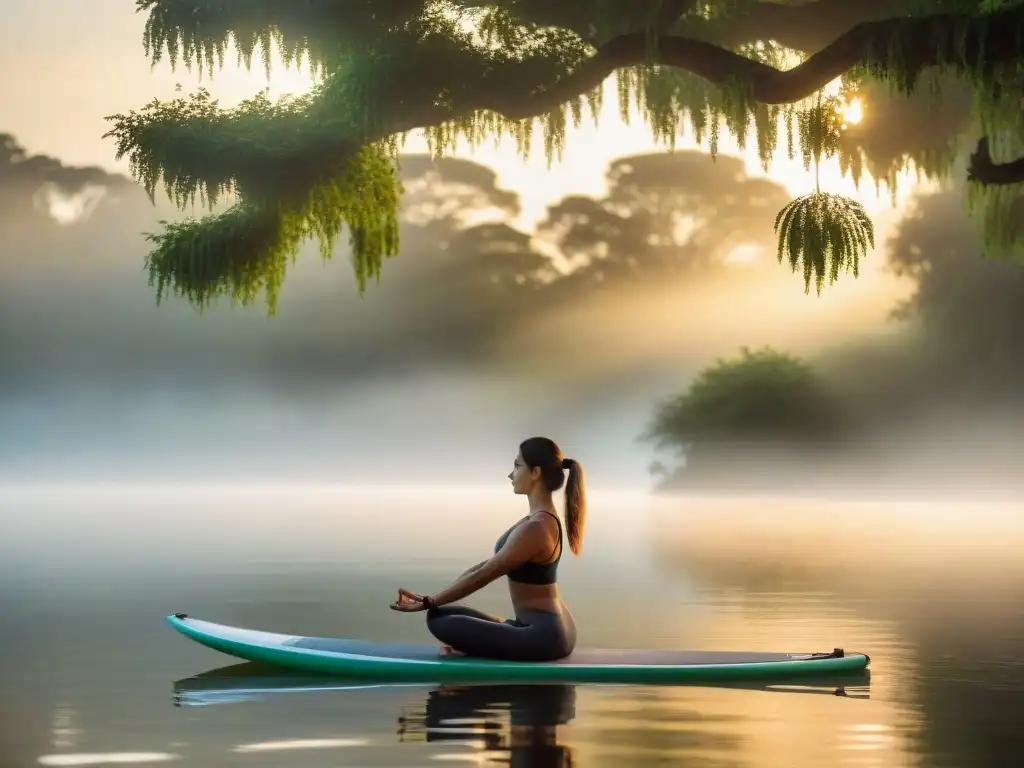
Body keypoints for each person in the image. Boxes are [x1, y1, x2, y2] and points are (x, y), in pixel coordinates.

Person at [389, 436, 586, 662]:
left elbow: (484, 575)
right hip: (545, 626)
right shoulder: (537, 519)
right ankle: (502, 636)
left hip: (544, 635)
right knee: (441, 614)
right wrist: (430, 600)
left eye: (517, 465)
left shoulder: (536, 528)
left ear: (535, 472)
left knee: (440, 623)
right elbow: (484, 567)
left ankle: (483, 647)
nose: (511, 474)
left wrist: (428, 602)